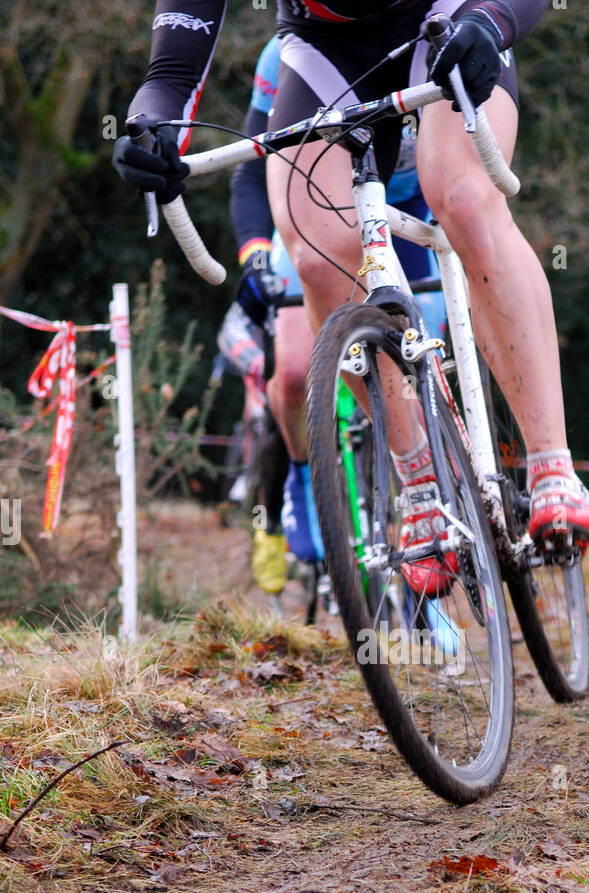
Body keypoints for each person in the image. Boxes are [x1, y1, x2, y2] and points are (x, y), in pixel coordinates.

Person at [113, 2, 589, 599]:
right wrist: (152, 118)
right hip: (325, 48)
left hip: (446, 14)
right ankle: (419, 479)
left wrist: (494, 20)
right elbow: (174, 67)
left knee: (465, 198)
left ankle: (553, 467)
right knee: (315, 253)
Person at [223, 32, 447, 599]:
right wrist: (253, 256)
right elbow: (250, 169)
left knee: (427, 372)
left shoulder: (419, 27)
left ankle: (448, 511)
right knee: (295, 372)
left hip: (412, 212)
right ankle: (304, 473)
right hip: (319, 207)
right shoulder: (287, 52)